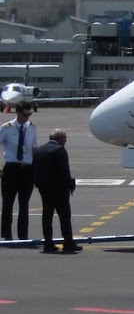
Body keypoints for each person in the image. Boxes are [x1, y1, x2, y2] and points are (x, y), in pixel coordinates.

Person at [33, 129, 77, 254]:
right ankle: (68, 243)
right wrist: (70, 184)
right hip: (59, 189)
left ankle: (48, 243)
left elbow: (35, 168)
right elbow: (64, 170)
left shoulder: (40, 150)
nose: (66, 140)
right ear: (60, 139)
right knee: (64, 217)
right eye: (65, 138)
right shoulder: (59, 150)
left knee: (47, 215)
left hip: (44, 188)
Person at [1, 103, 38, 241]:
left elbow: (34, 149)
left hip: (27, 170)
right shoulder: (7, 128)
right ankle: (6, 235)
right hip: (11, 169)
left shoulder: (32, 128)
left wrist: (37, 168)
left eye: (29, 114)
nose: (27, 117)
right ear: (17, 113)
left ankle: (23, 235)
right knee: (7, 204)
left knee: (24, 205)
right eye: (25, 114)